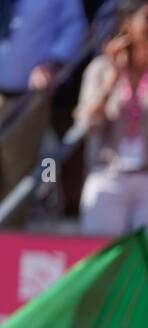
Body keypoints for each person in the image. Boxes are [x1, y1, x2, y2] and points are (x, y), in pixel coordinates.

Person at [76, 0, 148, 237]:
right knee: (104, 262)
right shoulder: (101, 67)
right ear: (127, 23)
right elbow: (87, 124)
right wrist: (113, 76)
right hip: (110, 177)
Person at [0, 0, 87, 225]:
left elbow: (74, 27)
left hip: (26, 98)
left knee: (15, 178)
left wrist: (51, 63)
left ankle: (8, 244)